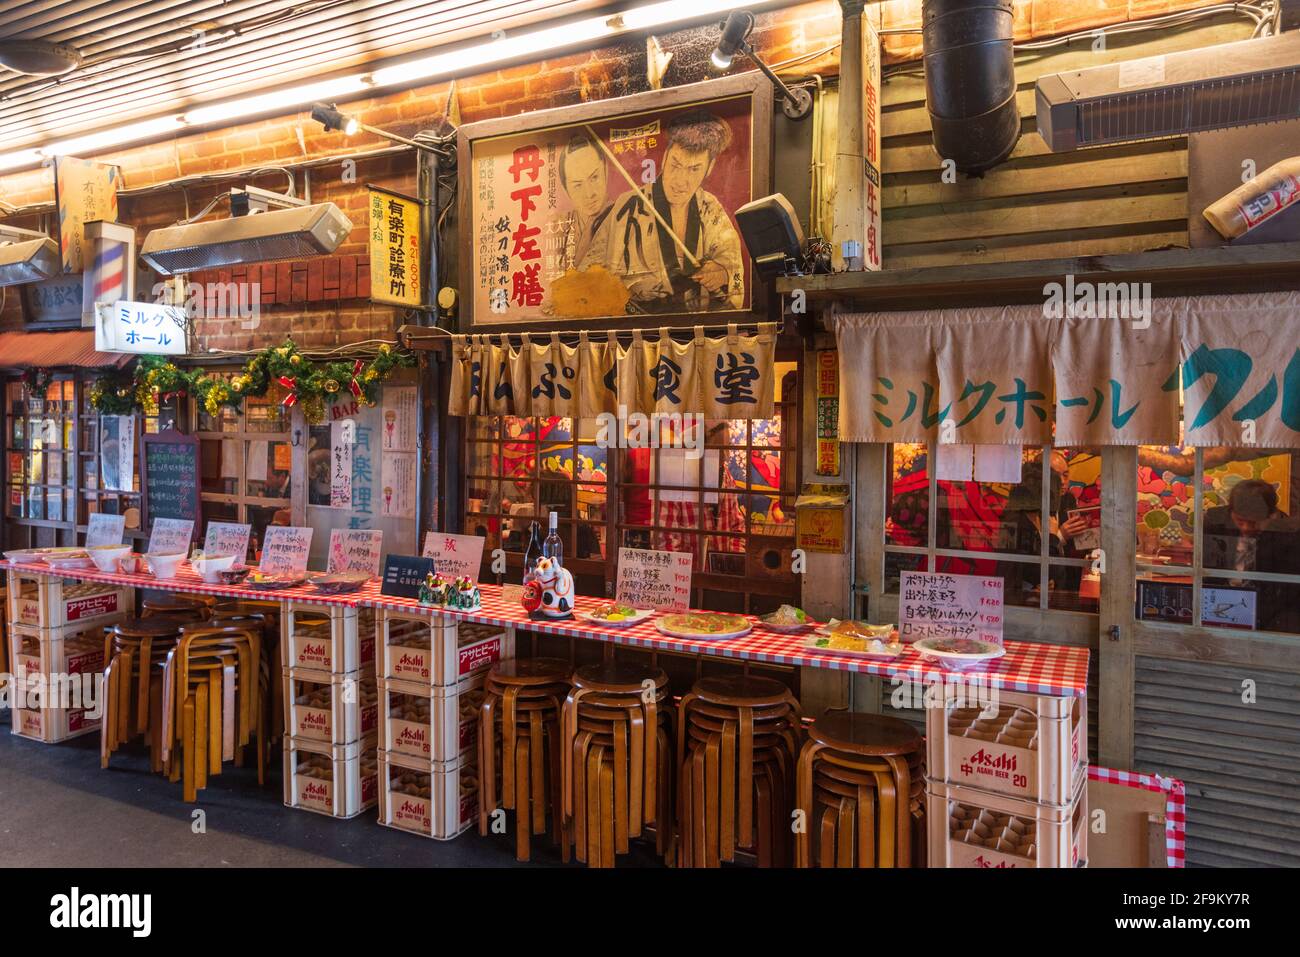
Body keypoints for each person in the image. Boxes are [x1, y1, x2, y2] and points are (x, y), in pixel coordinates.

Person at [582, 109, 744, 313]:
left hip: (696, 332)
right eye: (675, 165)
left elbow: (728, 256)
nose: (680, 181)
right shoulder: (630, 205)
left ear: (709, 168)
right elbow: (589, 271)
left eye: (694, 169)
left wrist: (721, 272)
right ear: (665, 157)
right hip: (637, 332)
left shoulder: (709, 208)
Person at [1203, 478, 1300, 631]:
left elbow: (1287, 592)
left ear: (1272, 515)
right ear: (1231, 512)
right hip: (1222, 600)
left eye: (1254, 522)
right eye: (1240, 521)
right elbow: (1208, 574)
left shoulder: (1287, 533)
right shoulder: (1216, 522)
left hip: (1270, 612)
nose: (1247, 528)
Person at [554, 133, 613, 274]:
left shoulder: (623, 215)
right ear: (566, 188)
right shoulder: (558, 227)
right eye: (578, 185)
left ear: (605, 169)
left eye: (594, 177)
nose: (589, 193)